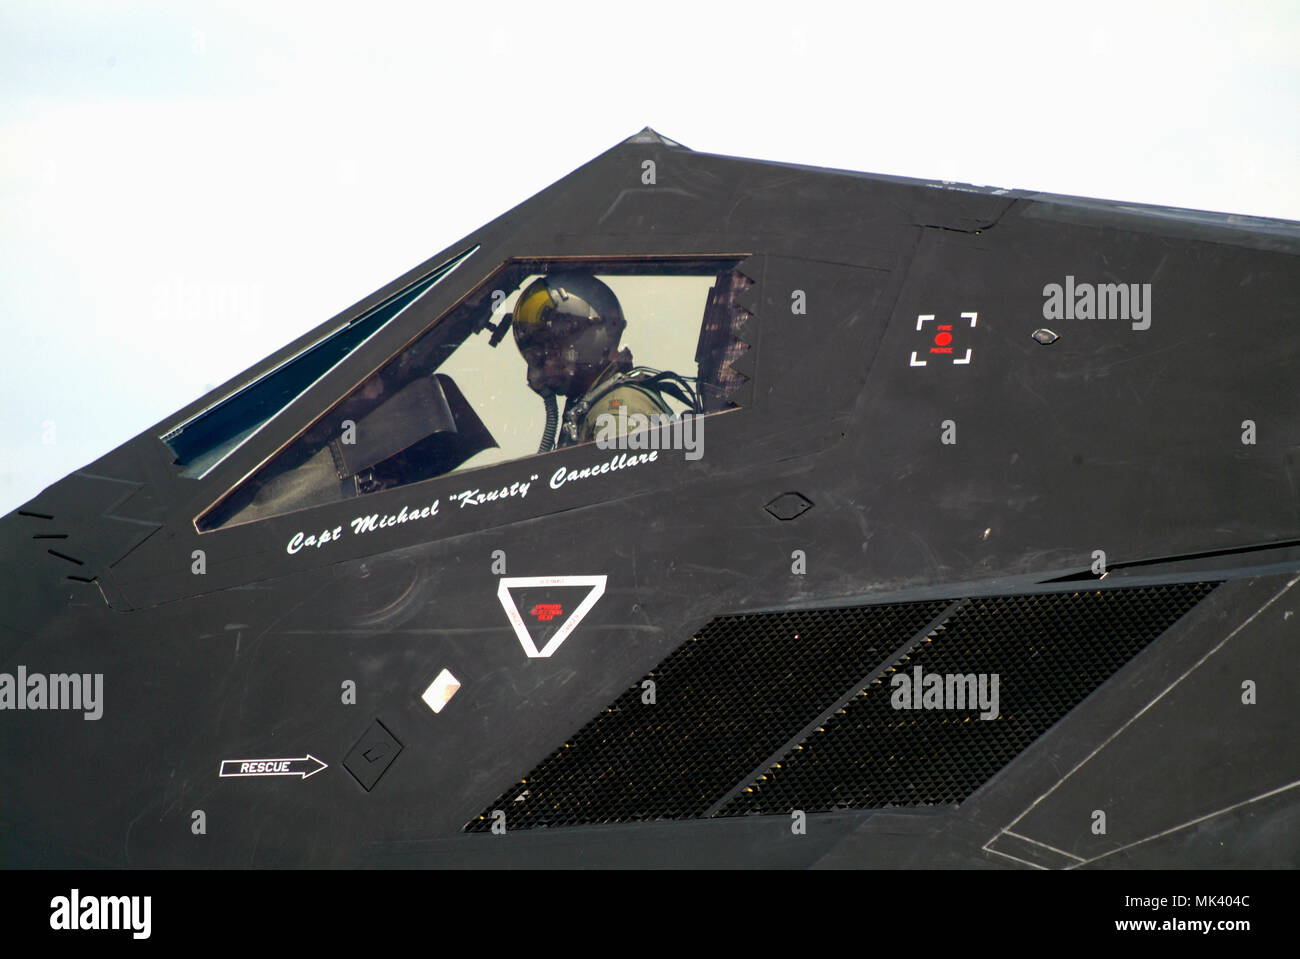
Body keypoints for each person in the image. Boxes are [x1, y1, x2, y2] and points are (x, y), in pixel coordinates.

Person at [510, 272, 699, 451]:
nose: (539, 361)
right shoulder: (593, 407)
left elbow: (624, 485)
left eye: (550, 348)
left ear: (585, 341)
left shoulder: (616, 410)